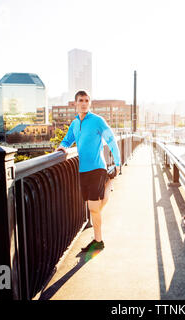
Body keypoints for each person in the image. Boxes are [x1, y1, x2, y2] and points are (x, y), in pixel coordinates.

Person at [55, 90, 121, 252]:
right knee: (93, 205)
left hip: (97, 168)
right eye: (81, 100)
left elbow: (111, 140)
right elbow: (68, 139)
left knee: (93, 207)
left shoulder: (97, 121)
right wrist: (62, 147)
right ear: (75, 104)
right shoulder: (75, 123)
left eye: (86, 100)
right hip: (83, 170)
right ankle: (108, 184)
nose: (84, 103)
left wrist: (118, 163)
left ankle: (98, 241)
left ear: (89, 103)